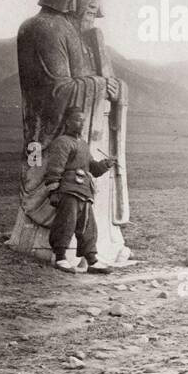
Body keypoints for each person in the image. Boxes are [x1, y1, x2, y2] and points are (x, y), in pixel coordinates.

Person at [7, 0, 130, 264]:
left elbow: (108, 82)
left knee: (88, 203)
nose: (94, 1)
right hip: (50, 140)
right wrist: (100, 84)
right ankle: (58, 250)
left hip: (89, 145)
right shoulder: (42, 29)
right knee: (67, 200)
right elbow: (54, 92)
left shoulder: (92, 35)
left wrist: (117, 89)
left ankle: (96, 246)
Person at [43, 107, 117, 272]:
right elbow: (54, 169)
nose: (81, 123)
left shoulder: (83, 144)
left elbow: (93, 169)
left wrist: (106, 164)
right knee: (66, 223)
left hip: (84, 191)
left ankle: (91, 261)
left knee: (89, 225)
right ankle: (60, 258)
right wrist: (53, 191)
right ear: (67, 121)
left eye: (82, 120)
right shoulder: (62, 142)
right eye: (77, 119)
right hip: (68, 190)